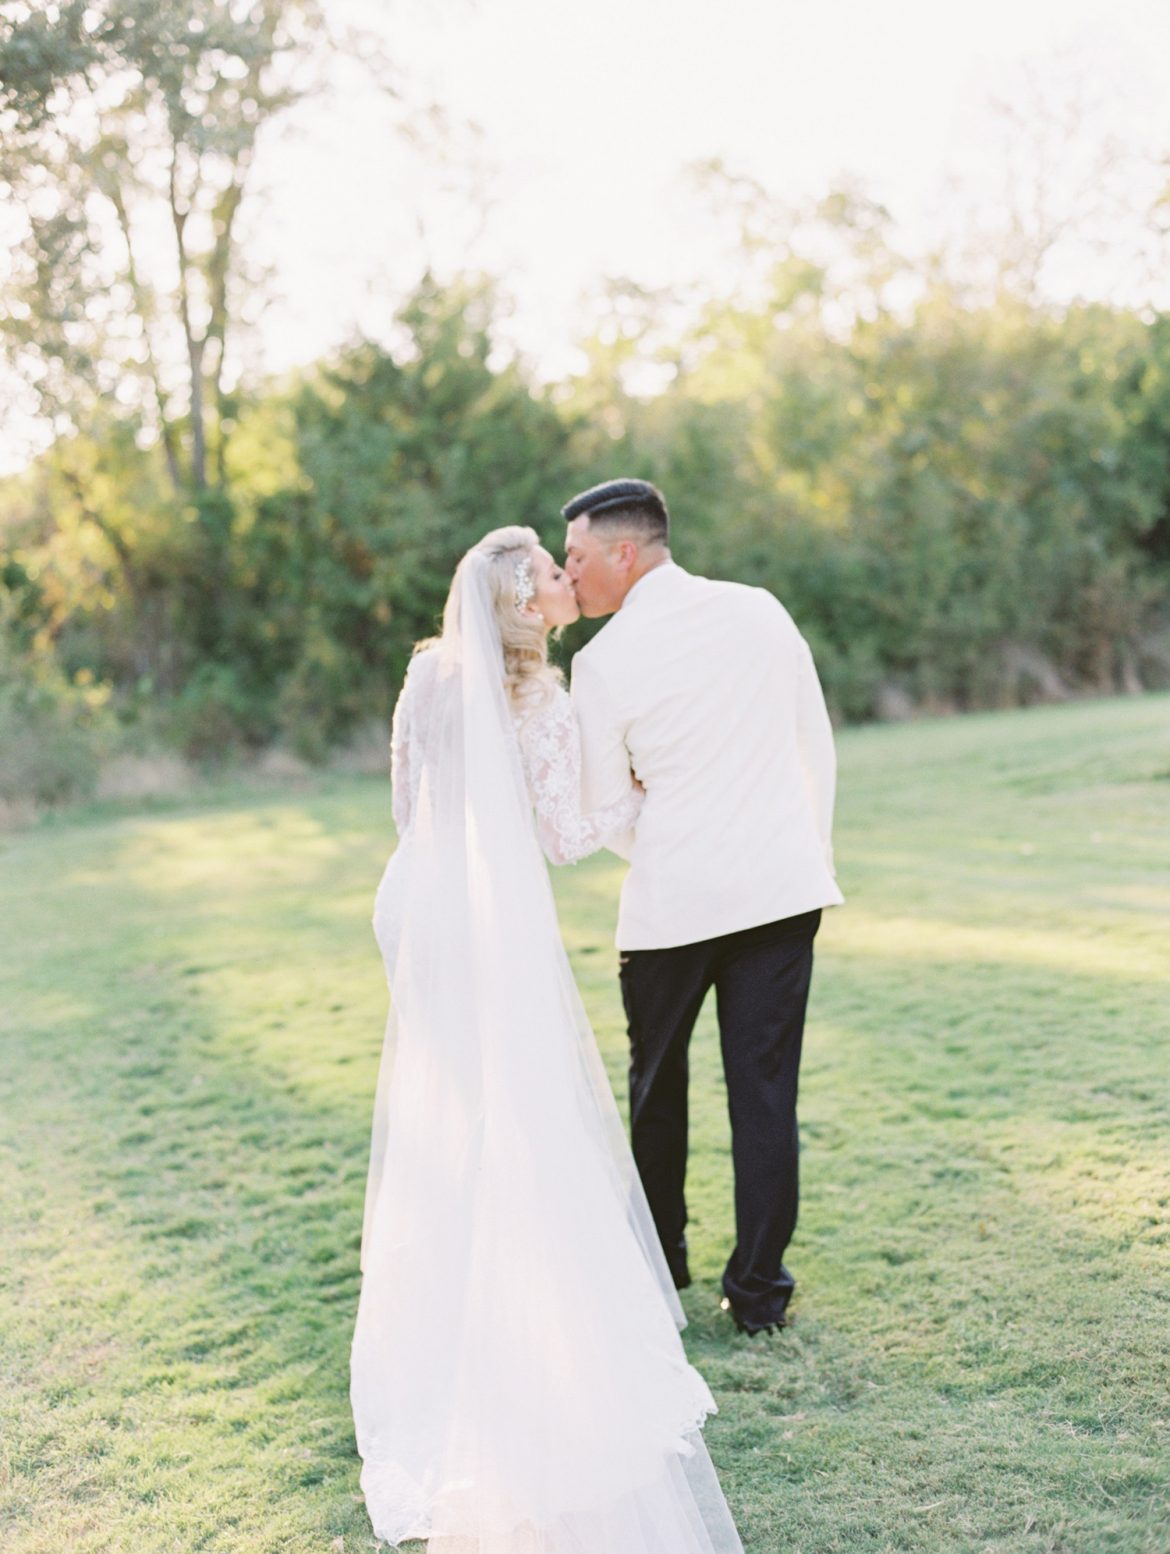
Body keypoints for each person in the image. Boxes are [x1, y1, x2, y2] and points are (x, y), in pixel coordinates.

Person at [350, 526, 744, 1554]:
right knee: (523, 1132)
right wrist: (646, 795)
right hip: (492, 936)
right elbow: (567, 838)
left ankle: (453, 1341)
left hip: (418, 911)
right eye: (551, 577)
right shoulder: (544, 700)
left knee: (451, 1128)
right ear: (529, 606)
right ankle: (532, 1353)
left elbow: (406, 804)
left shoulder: (430, 674)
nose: (567, 582)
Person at [563, 479, 844, 1337]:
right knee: (764, 1094)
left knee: (658, 1091)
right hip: (783, 892)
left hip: (673, 908)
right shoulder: (760, 609)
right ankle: (758, 1293)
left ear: (625, 552)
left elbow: (605, 809)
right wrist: (799, 851)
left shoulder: (602, 663)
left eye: (575, 557)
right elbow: (814, 747)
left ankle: (664, 1267)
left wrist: (677, 836)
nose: (569, 575)